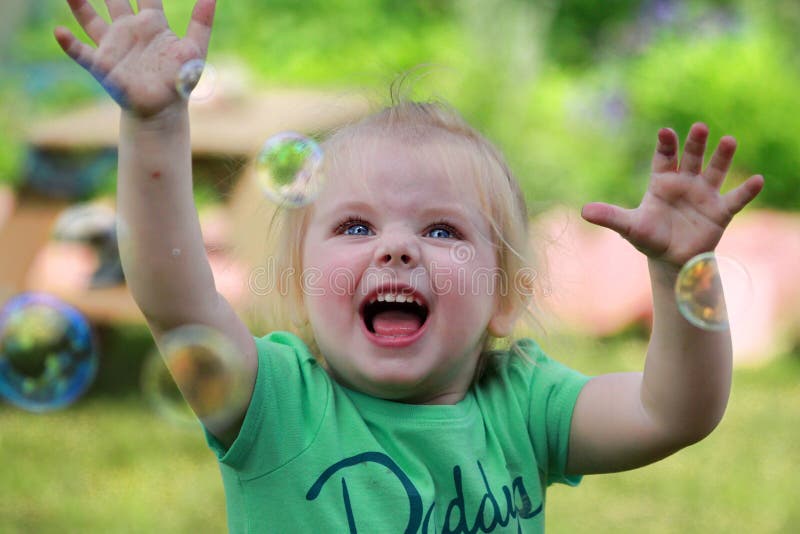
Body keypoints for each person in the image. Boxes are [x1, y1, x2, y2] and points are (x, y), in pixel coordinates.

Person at [54, 1, 765, 532]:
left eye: (442, 228)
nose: (397, 249)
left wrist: (682, 274)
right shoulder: (273, 403)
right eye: (356, 225)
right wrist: (153, 125)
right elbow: (177, 300)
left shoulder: (524, 404)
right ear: (301, 283)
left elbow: (671, 412)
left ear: (504, 298)